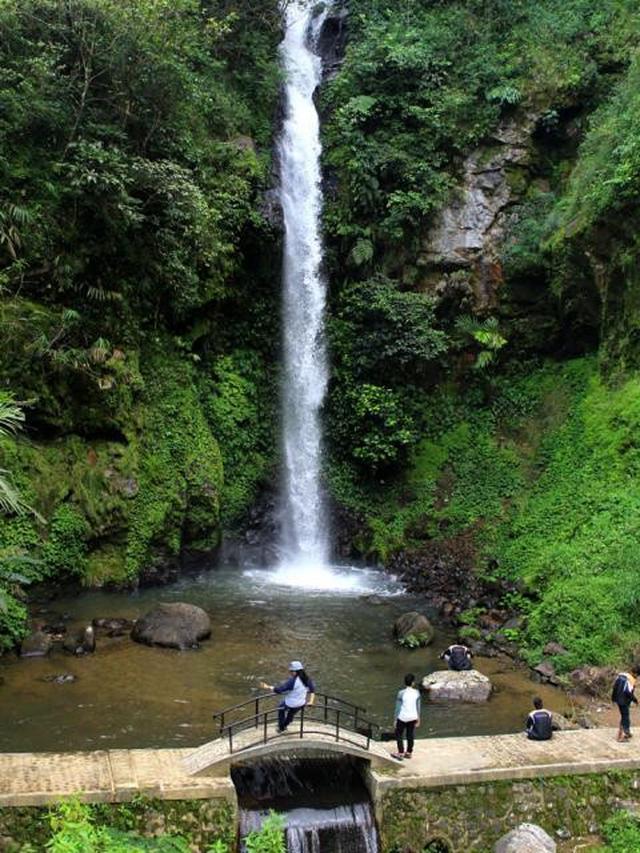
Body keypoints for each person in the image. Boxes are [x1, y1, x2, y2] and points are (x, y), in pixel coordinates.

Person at [260, 661, 316, 733]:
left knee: (281, 709)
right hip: (301, 703)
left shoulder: (292, 681)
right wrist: (311, 701)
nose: (290, 673)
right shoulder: (307, 679)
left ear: (295, 671)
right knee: (291, 714)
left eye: (291, 671)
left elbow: (279, 690)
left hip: (290, 703)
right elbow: (312, 691)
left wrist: (268, 687)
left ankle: (281, 727)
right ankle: (286, 724)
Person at [391, 673, 421, 760]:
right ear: (413, 683)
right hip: (413, 717)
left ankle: (400, 753)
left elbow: (398, 708)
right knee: (410, 734)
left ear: (405, 683)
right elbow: (418, 707)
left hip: (403, 717)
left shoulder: (401, 693)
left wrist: (395, 719)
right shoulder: (417, 693)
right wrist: (418, 719)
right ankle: (409, 752)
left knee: (399, 734)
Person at [611, 666, 640, 742]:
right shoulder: (631, 679)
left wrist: (613, 699)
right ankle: (621, 736)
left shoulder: (620, 675)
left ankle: (626, 732)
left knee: (624, 715)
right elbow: (628, 692)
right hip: (624, 700)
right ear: (636, 674)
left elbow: (614, 687)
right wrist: (635, 700)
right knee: (625, 717)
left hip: (618, 698)